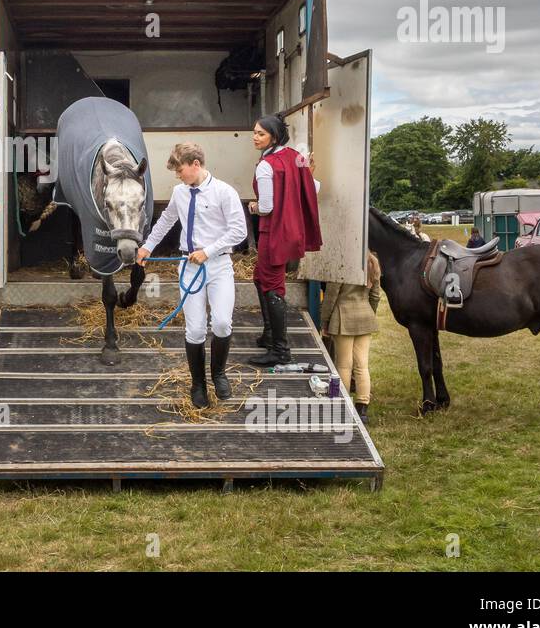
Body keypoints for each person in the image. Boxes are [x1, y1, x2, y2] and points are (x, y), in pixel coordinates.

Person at [137, 142, 248, 408]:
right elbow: (166, 221)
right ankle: (198, 384)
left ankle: (218, 374)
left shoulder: (224, 192)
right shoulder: (180, 192)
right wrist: (147, 246)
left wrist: (208, 251)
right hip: (189, 265)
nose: (178, 176)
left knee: (221, 323)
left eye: (180, 170)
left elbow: (239, 231)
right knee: (195, 328)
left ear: (195, 165)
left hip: (218, 265)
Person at [247, 114, 322, 367]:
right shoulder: (296, 157)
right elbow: (314, 187)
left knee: (273, 286)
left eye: (261, 134)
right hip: (290, 231)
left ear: (274, 137)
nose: (255, 137)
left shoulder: (266, 165)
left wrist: (254, 207)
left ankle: (279, 350)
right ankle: (270, 335)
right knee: (260, 277)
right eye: (255, 132)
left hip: (273, 232)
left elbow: (267, 207)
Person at [320, 252, 383, 424]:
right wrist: (369, 314)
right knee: (362, 365)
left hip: (343, 316)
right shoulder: (373, 261)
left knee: (343, 365)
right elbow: (375, 295)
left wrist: (324, 321)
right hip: (365, 314)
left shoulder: (342, 260)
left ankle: (343, 405)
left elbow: (331, 296)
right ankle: (362, 409)